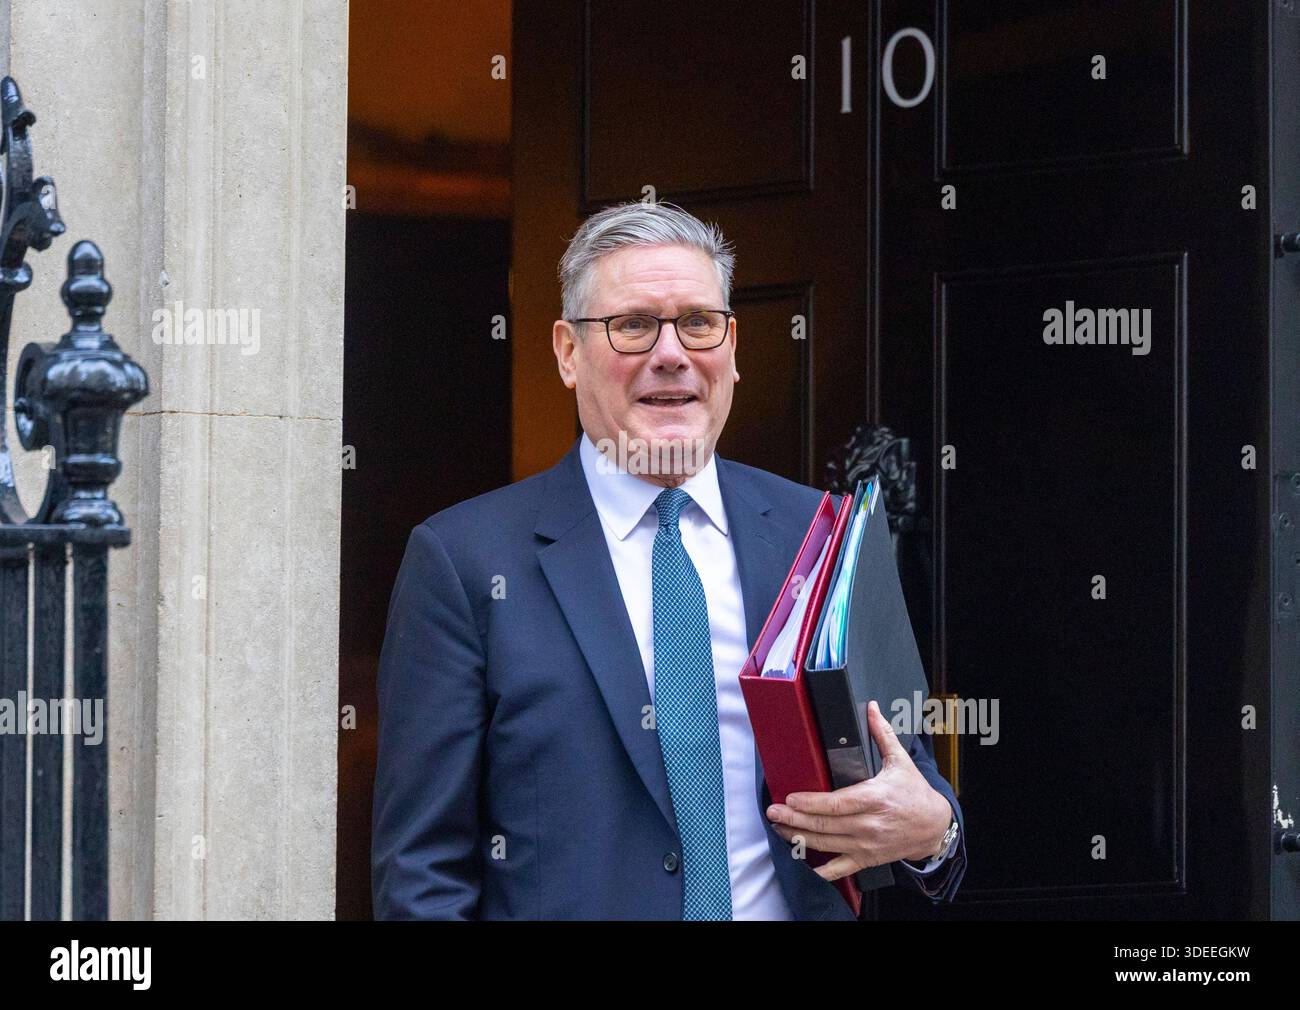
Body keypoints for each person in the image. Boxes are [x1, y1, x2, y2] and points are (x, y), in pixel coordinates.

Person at [371, 201, 966, 920]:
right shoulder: (464, 562)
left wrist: (936, 831)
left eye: (697, 322)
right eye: (633, 325)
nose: (672, 353)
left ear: (733, 346)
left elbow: (909, 787)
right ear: (567, 352)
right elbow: (422, 871)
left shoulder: (821, 535)